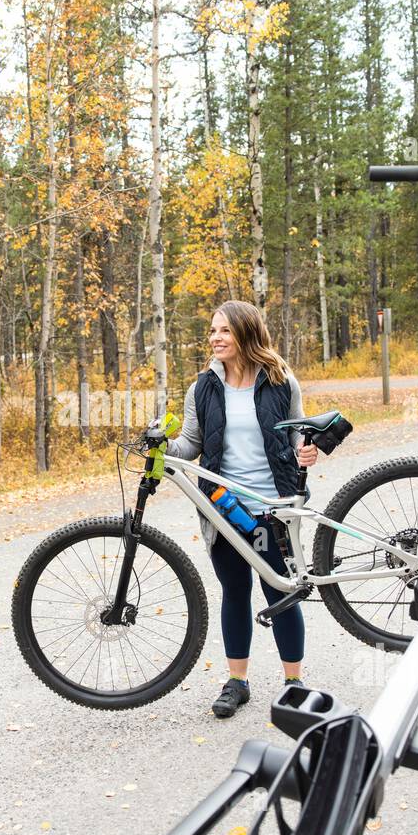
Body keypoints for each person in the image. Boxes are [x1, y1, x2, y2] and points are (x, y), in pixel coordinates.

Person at [165, 300, 318, 718]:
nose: (215, 338)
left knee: (280, 594)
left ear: (246, 334)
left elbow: (298, 437)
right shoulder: (202, 388)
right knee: (234, 591)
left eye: (225, 331)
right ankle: (237, 681)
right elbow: (190, 445)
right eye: (213, 331)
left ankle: (294, 683)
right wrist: (164, 447)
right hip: (223, 508)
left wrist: (307, 453)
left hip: (272, 509)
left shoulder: (281, 380)